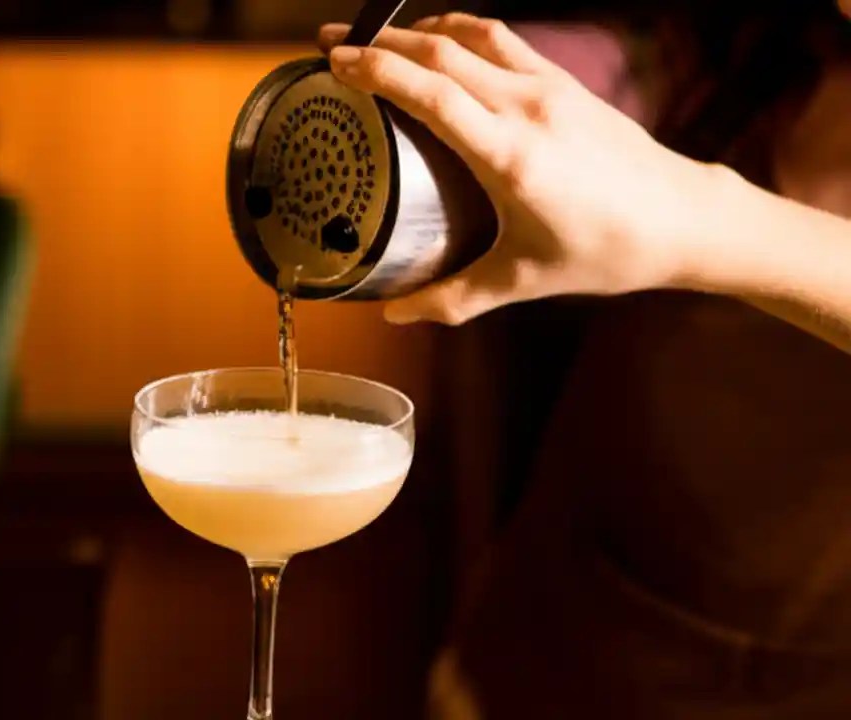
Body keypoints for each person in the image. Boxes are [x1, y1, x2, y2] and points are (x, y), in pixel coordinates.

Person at [317, 7, 851, 719]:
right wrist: (469, 81)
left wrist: (700, 209)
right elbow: (617, 75)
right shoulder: (768, 59)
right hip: (529, 659)